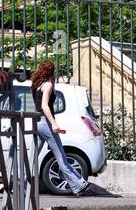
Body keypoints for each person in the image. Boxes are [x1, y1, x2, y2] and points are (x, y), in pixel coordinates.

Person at [29, 60, 91, 196]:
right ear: (52, 72)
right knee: (61, 156)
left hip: (37, 122)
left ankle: (19, 181)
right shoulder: (48, 85)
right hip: (45, 123)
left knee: (32, 155)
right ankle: (77, 186)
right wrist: (54, 123)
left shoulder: (37, 85)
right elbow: (45, 105)